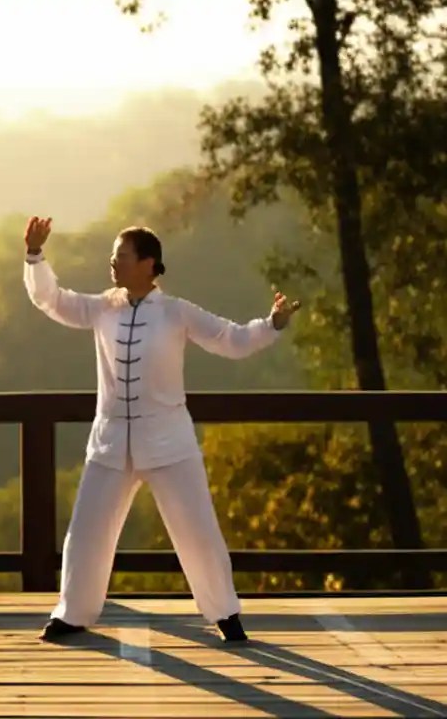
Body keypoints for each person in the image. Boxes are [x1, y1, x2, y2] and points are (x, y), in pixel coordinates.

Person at [21, 216, 300, 644]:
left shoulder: (176, 312)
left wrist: (272, 324)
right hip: (111, 442)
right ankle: (72, 613)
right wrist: (35, 256)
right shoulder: (101, 307)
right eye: (113, 257)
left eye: (121, 257)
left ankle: (226, 615)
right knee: (87, 531)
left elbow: (231, 338)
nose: (112, 264)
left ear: (148, 264)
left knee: (198, 532)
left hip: (170, 442)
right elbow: (52, 299)